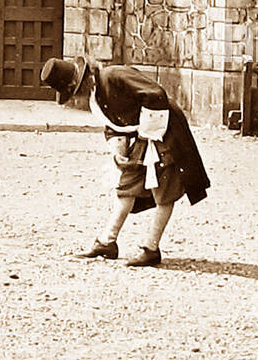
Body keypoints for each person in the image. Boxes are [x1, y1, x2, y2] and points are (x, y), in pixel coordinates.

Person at [41, 56, 210, 267]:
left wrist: (148, 133)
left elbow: (156, 95)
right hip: (143, 135)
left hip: (165, 129)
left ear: (81, 81)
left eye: (74, 92)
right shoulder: (96, 95)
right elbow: (112, 124)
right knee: (127, 185)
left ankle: (151, 248)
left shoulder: (114, 75)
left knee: (165, 189)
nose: (76, 99)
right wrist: (117, 147)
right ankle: (107, 242)